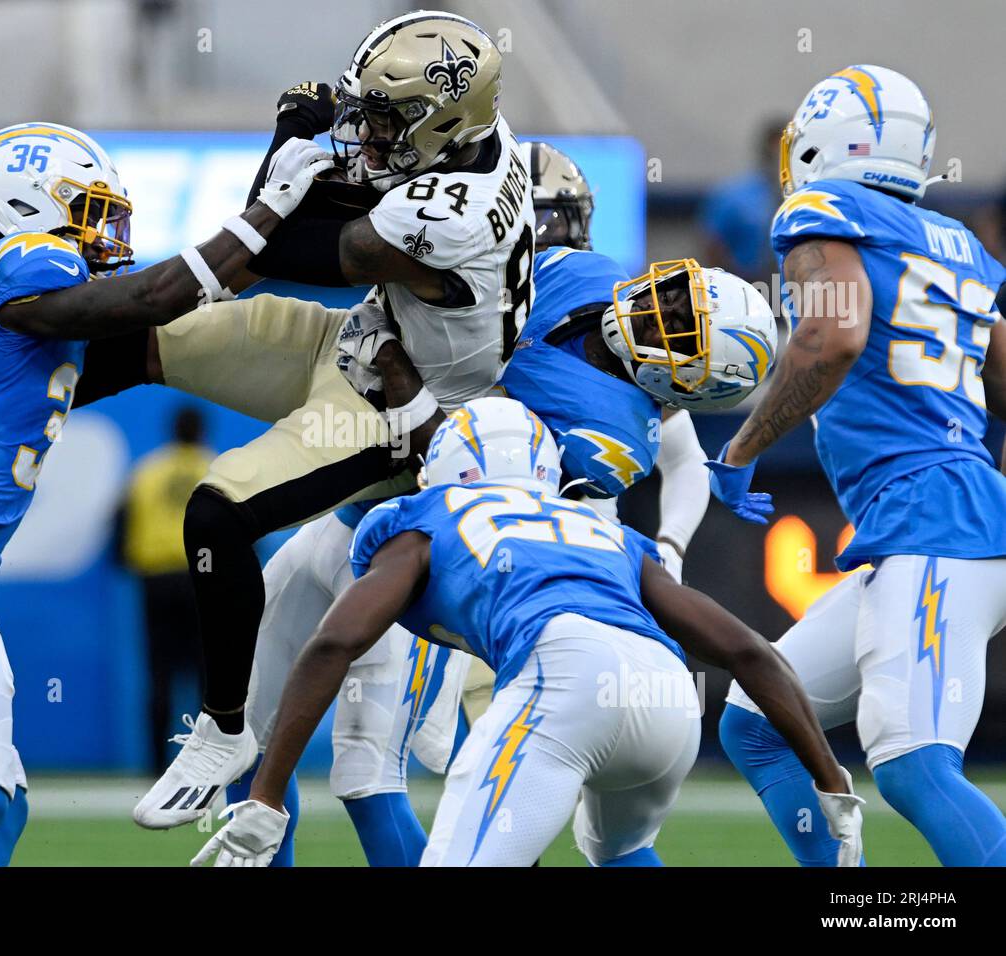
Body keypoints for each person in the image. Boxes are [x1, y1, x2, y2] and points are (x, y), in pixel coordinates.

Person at [0, 120, 332, 866]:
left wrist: (273, 204)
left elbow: (191, 290)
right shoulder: (24, 259)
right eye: (84, 208)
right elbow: (155, 294)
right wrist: (268, 206)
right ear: (22, 205)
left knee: (0, 809)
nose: (103, 229)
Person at [240, 141, 763, 866]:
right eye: (521, 215)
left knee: (394, 772)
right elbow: (747, 650)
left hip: (492, 554)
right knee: (266, 719)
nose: (524, 233)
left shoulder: (615, 412)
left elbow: (460, 454)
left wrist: (392, 364)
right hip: (495, 550)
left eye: (540, 219)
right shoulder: (578, 286)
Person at [123, 11, 540, 828]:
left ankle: (221, 729)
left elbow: (270, 246)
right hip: (368, 343)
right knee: (139, 336)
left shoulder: (445, 214)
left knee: (217, 513)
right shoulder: (471, 141)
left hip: (401, 403)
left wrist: (289, 135)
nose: (369, 133)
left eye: (388, 119)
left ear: (442, 123)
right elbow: (303, 220)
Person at [193, 397, 864, 867]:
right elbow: (748, 649)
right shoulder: (609, 531)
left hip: (563, 676)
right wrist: (832, 778)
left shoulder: (429, 513)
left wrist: (268, 793)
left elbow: (337, 643)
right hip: (665, 701)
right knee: (619, 850)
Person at [710, 66, 1006, 866]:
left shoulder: (821, 211)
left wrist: (741, 447)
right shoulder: (962, 248)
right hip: (944, 517)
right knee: (758, 720)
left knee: (913, 766)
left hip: (932, 522)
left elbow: (832, 338)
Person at [116, 407, 214, 773]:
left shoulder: (147, 472)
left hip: (156, 582)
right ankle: (207, 762)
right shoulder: (216, 470)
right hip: (204, 580)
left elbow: (122, 527)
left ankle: (156, 767)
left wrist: (133, 563)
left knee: (159, 673)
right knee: (212, 675)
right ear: (202, 432)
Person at [699, 120, 784, 282]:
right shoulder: (734, 195)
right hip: (748, 283)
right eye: (778, 148)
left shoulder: (808, 197)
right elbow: (712, 243)